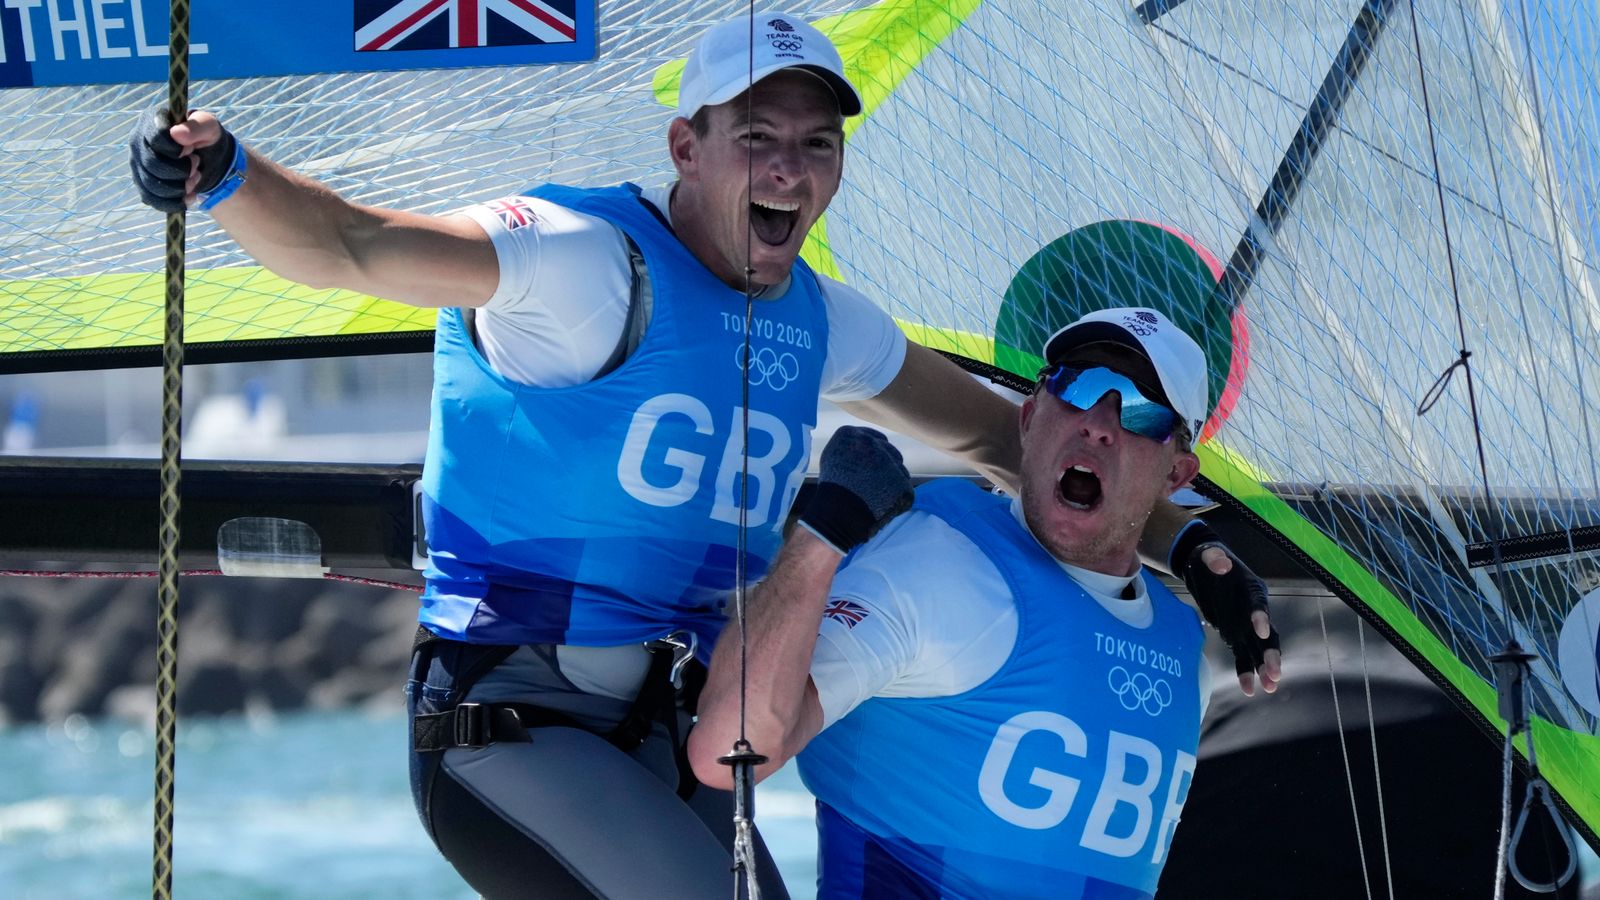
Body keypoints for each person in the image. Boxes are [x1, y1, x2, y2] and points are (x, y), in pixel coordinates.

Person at [128, 14, 1274, 898]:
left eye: (815, 146)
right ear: (688, 144)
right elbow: (354, 246)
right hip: (511, 726)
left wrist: (1191, 543)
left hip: (666, 739)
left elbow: (997, 433)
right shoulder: (583, 263)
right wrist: (226, 177)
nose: (787, 169)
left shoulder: (824, 317)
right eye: (756, 139)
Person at [691, 307, 1220, 899]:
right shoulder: (941, 561)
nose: (1099, 423)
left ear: (1177, 473)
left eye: (1141, 410)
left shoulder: (1186, 647)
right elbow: (729, 750)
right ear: (1028, 417)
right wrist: (823, 536)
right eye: (1079, 386)